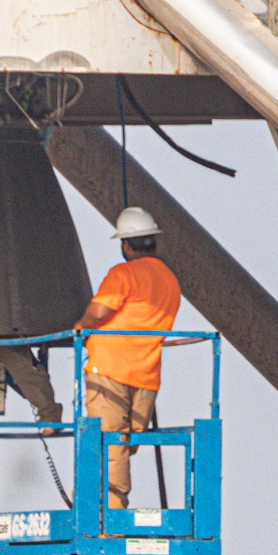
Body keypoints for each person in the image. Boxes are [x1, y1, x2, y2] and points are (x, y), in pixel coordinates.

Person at [73, 206, 182, 509]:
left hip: (109, 369)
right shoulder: (170, 281)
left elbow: (99, 312)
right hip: (146, 377)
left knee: (110, 441)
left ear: (126, 244)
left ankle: (111, 511)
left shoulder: (123, 274)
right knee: (124, 443)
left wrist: (80, 328)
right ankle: (105, 500)